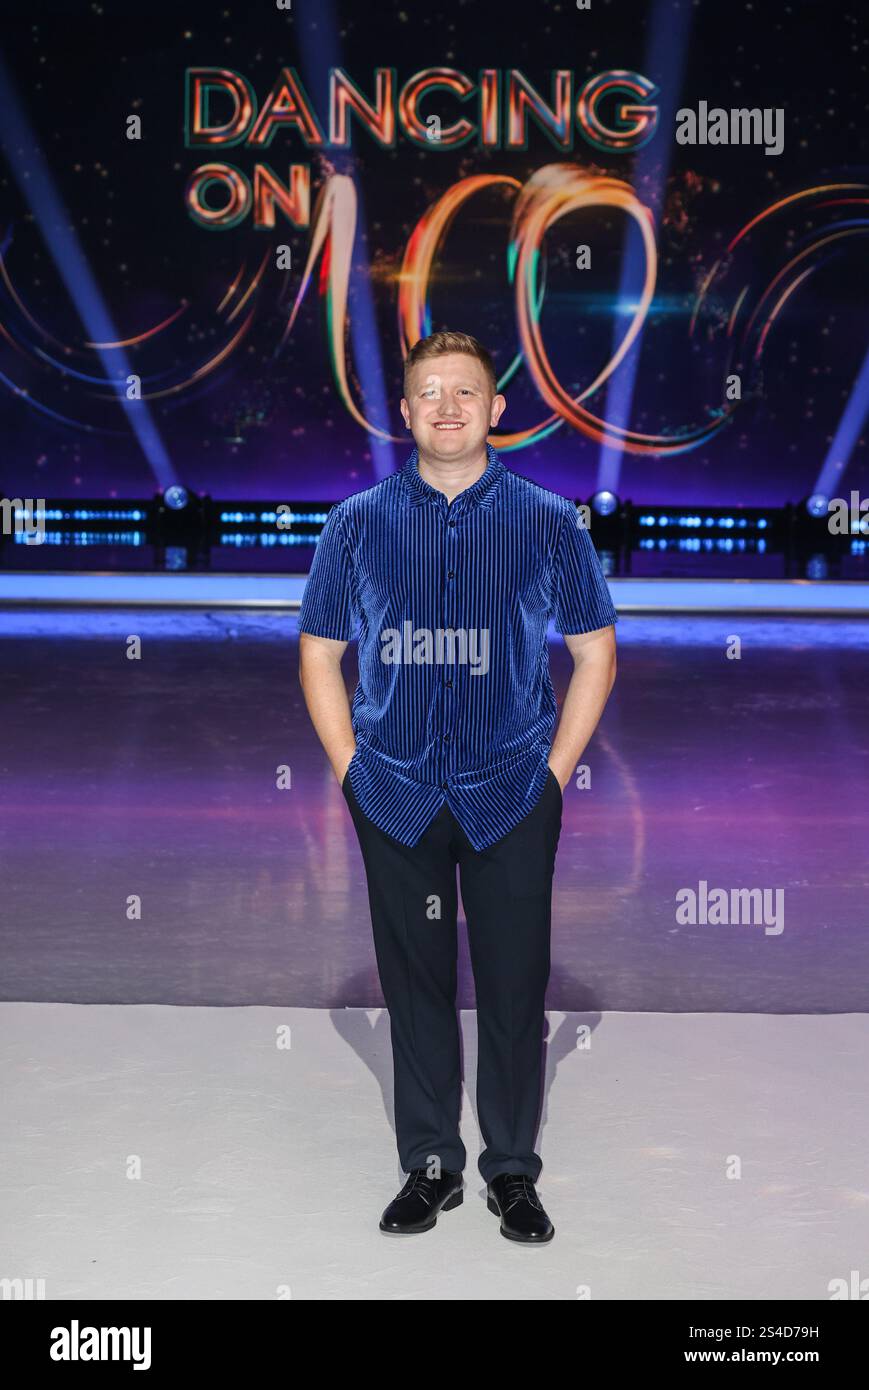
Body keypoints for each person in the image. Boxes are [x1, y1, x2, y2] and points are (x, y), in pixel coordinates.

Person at [298, 331, 617, 1243]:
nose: (446, 405)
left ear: (493, 409)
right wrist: (350, 769)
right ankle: (429, 1165)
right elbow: (320, 655)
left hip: (513, 788)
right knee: (414, 985)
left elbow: (594, 652)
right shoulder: (354, 523)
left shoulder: (549, 521)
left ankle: (512, 1172)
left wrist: (553, 776)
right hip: (393, 787)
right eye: (427, 391)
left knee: (514, 987)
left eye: (464, 392)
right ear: (403, 412)